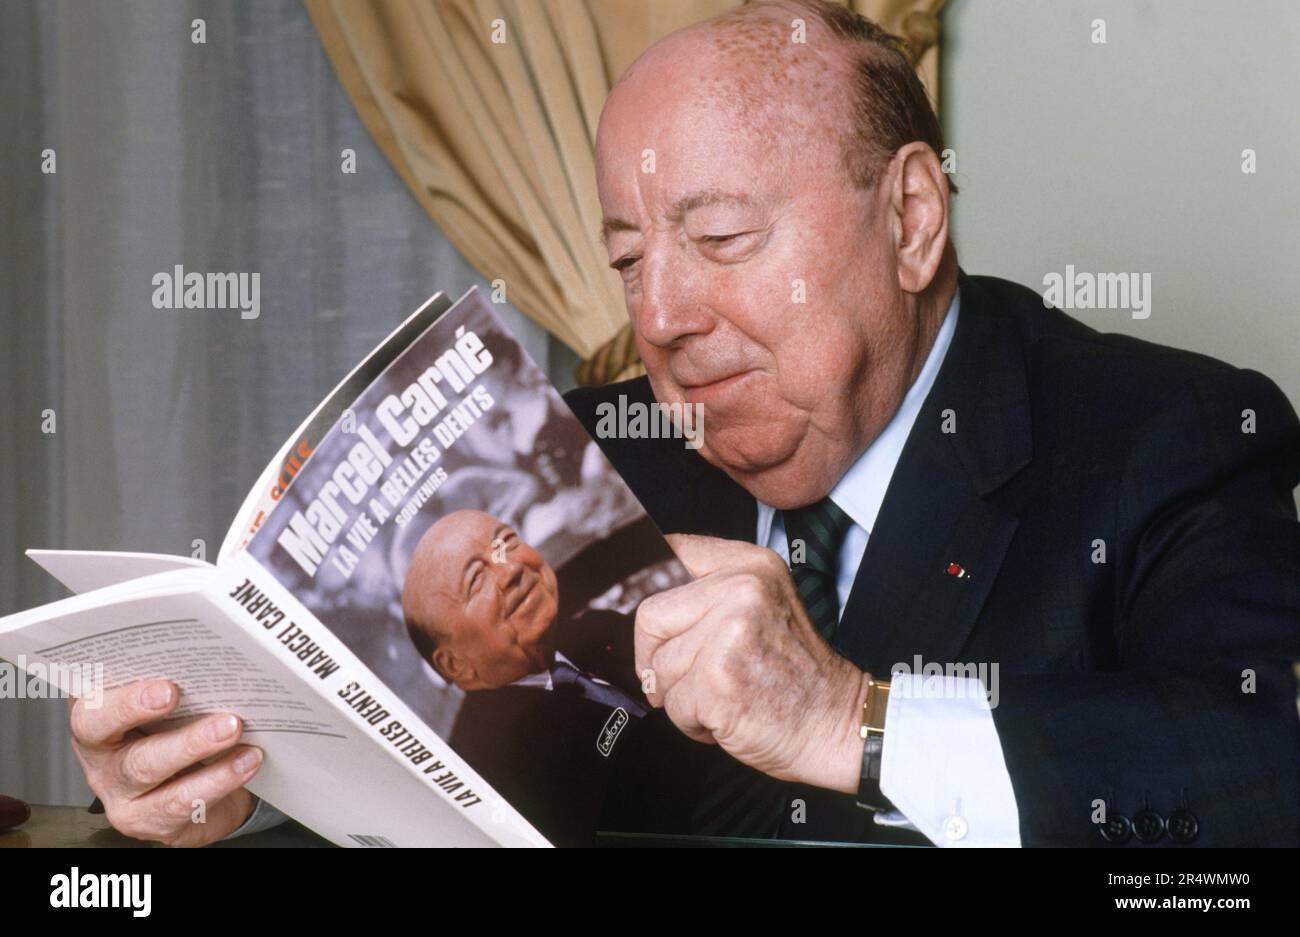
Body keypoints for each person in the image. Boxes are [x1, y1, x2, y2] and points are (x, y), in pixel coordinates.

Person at [68, 0, 1300, 848]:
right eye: (624, 259)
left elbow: (1265, 768)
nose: (658, 317)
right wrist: (233, 791)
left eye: (719, 240)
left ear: (912, 219)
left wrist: (844, 718)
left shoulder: (1173, 433)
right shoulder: (570, 458)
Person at [400, 509, 649, 846]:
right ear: (456, 666)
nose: (511, 570)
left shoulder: (594, 629)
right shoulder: (492, 777)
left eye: (506, 543)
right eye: (476, 580)